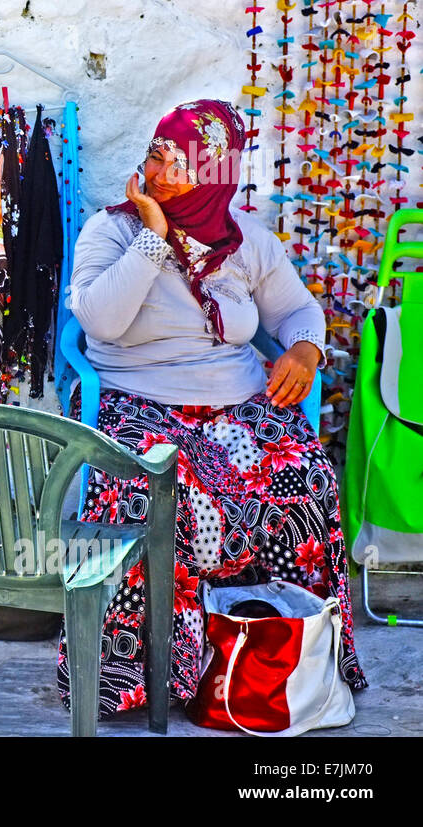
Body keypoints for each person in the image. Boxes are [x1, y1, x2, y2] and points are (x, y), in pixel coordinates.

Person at [56, 99, 366, 717]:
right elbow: (101, 322)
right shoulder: (111, 230)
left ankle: (282, 659)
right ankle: (140, 673)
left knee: (308, 479)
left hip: (236, 403)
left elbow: (298, 312)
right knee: (150, 492)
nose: (160, 171)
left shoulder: (246, 239)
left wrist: (304, 351)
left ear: (217, 173)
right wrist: (153, 237)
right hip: (138, 398)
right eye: (155, 154)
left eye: (180, 163)